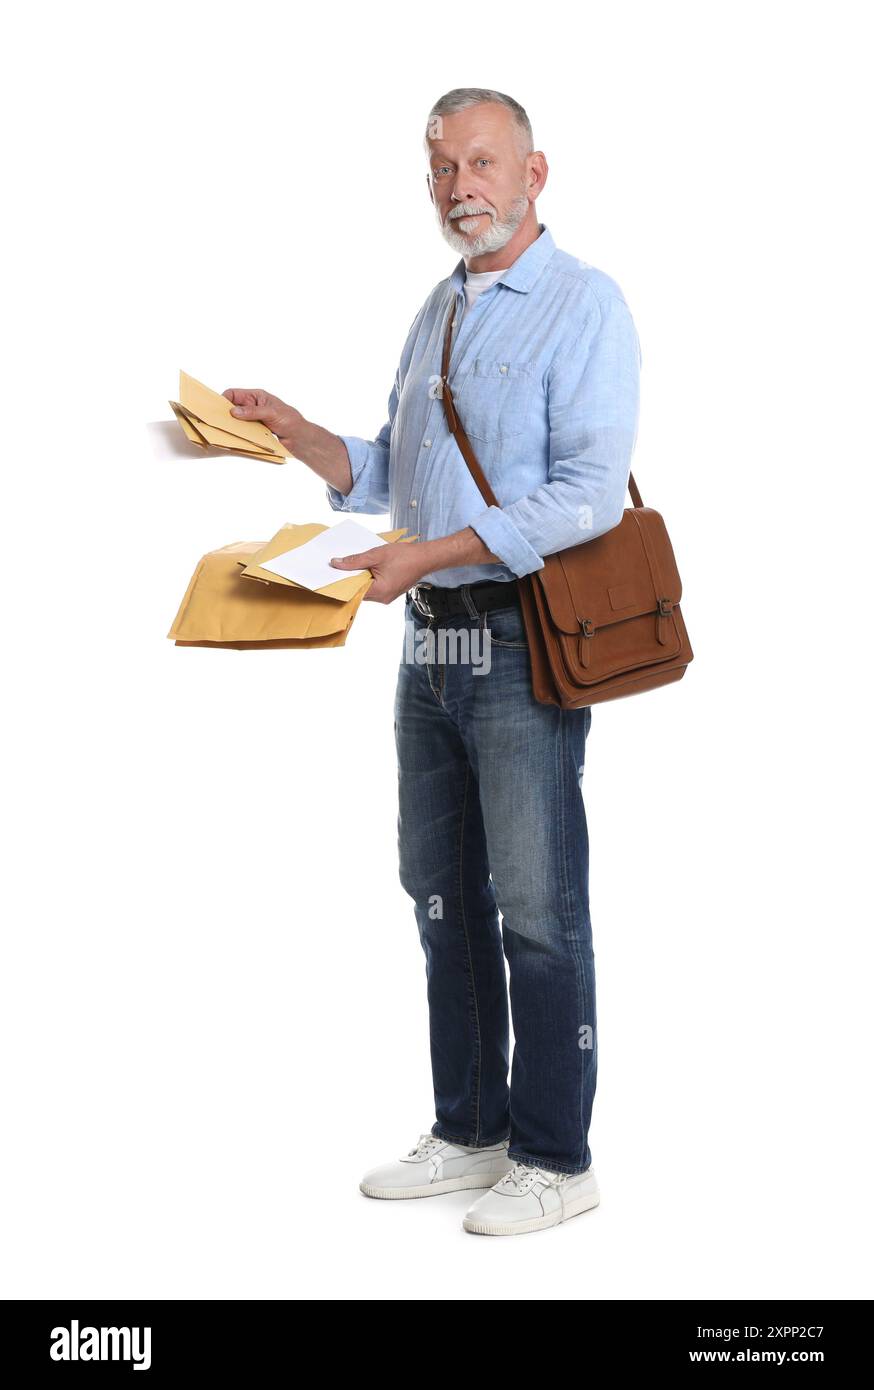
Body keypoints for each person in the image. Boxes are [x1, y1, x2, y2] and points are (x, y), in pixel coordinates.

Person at [223, 86, 641, 1236]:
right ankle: (471, 1131)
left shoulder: (583, 304)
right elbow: (399, 472)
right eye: (443, 170)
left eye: (482, 163)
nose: (462, 186)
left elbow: (585, 494)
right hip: (430, 642)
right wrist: (300, 433)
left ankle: (558, 1158)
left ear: (534, 172)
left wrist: (437, 554)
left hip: (517, 636)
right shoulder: (438, 310)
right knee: (442, 896)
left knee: (537, 909)